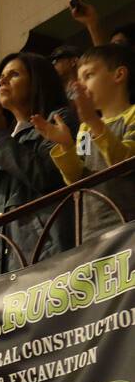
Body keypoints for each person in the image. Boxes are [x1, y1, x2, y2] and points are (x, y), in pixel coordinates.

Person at [0, 51, 75, 275]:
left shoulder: (58, 119)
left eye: (14, 74)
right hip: (7, 259)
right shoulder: (4, 136)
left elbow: (47, 177)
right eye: (2, 76)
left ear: (37, 81)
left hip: (48, 253)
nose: (2, 80)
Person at [37, 44, 135, 238]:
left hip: (128, 224)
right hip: (91, 230)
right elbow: (78, 177)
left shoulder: (132, 116)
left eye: (89, 76)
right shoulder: (84, 129)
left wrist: (92, 120)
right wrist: (65, 146)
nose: (80, 85)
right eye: (79, 79)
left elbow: (125, 162)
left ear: (119, 75)